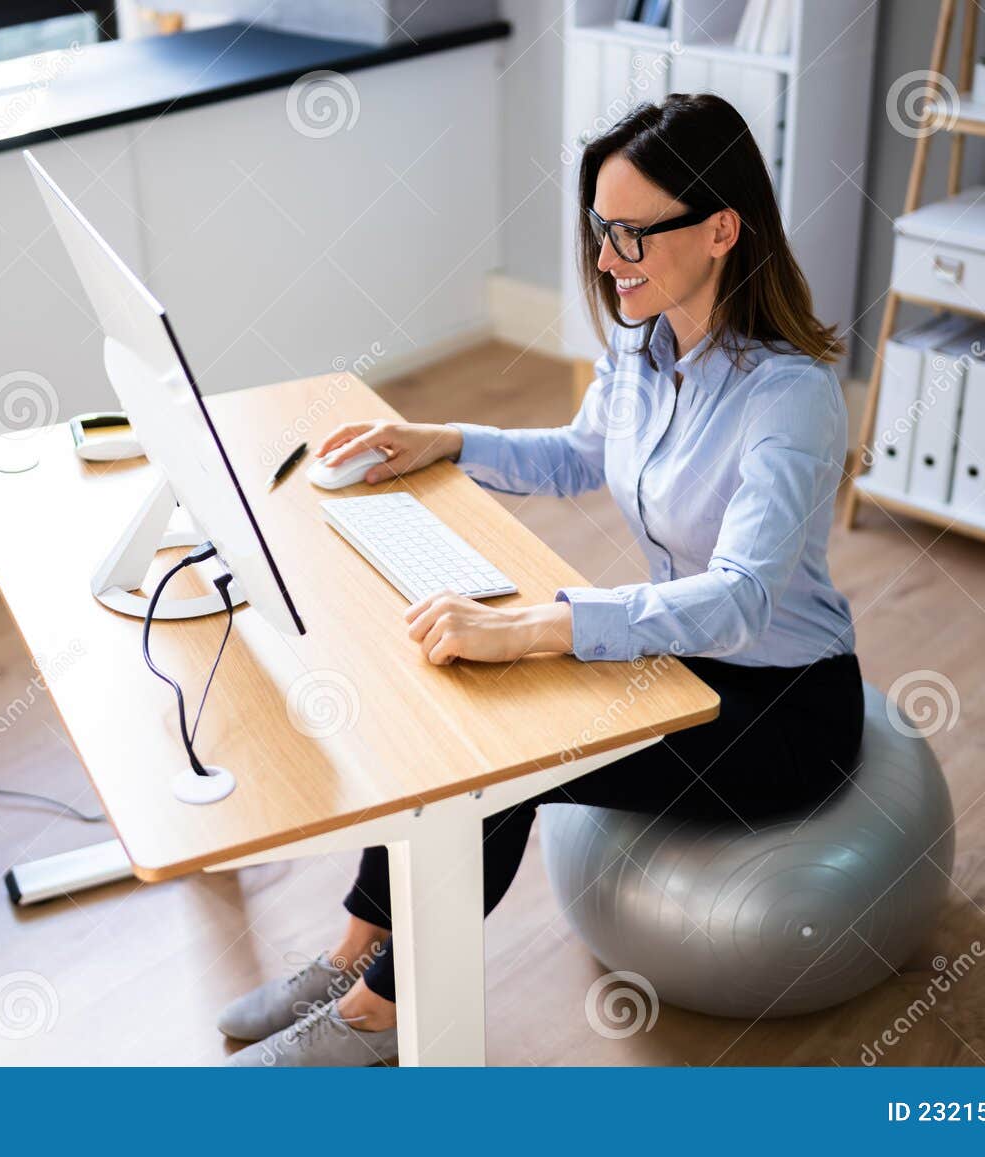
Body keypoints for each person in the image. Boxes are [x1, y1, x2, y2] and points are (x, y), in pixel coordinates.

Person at [221, 92, 862, 1067]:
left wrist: (539, 625)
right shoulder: (645, 346)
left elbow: (741, 598)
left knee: (505, 766)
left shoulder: (791, 398)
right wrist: (441, 440)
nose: (607, 262)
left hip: (781, 704)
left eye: (633, 236)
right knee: (460, 721)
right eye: (602, 232)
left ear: (722, 229)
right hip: (683, 656)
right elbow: (579, 455)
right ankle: (353, 952)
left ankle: (372, 1021)